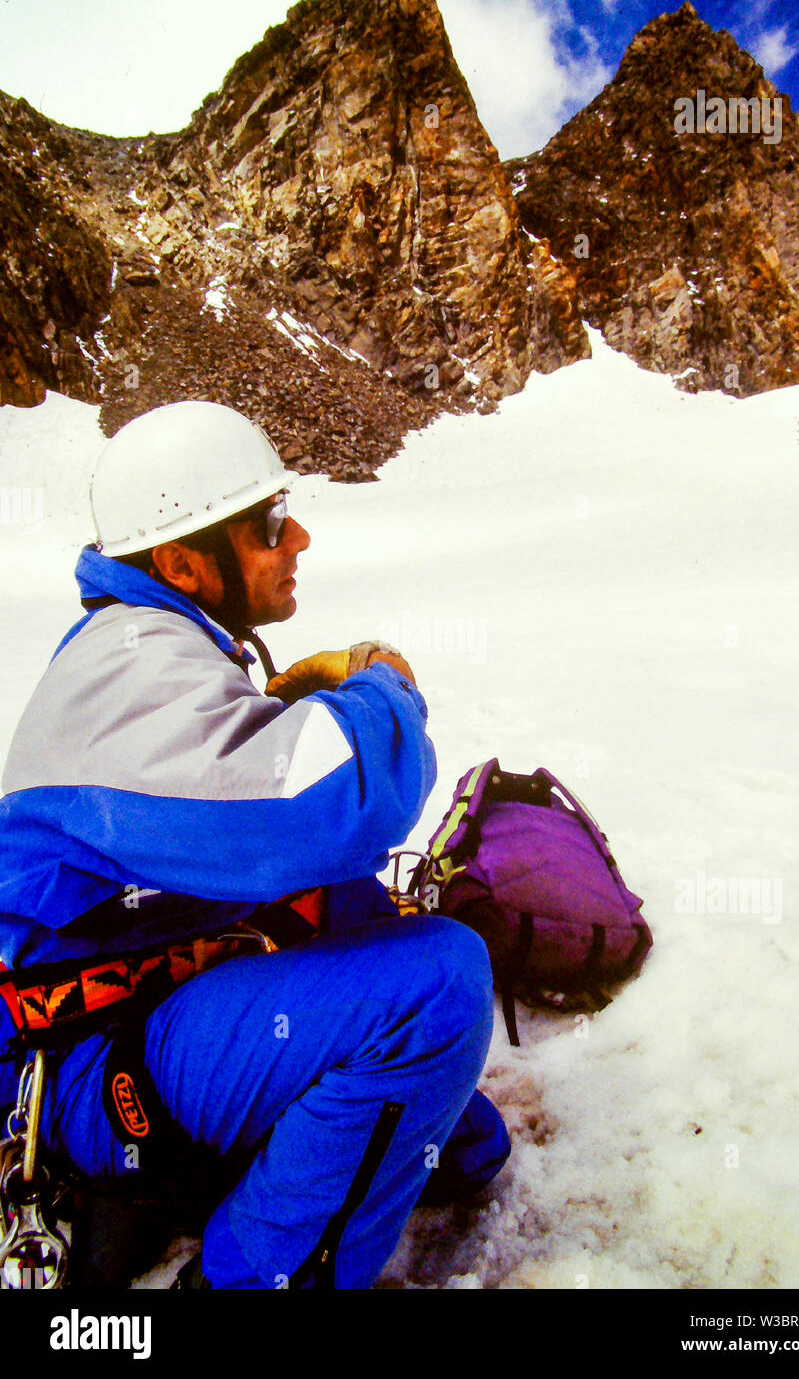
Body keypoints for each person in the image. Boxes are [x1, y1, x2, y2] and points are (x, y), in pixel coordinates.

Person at [0, 400, 509, 1289]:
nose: (299, 536)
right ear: (183, 563)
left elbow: (289, 851)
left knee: (345, 907)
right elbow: (338, 803)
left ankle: (423, 1131)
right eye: (269, 523)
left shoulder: (153, 645)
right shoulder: (132, 674)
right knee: (438, 985)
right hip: (84, 1065)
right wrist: (382, 684)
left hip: (126, 998)